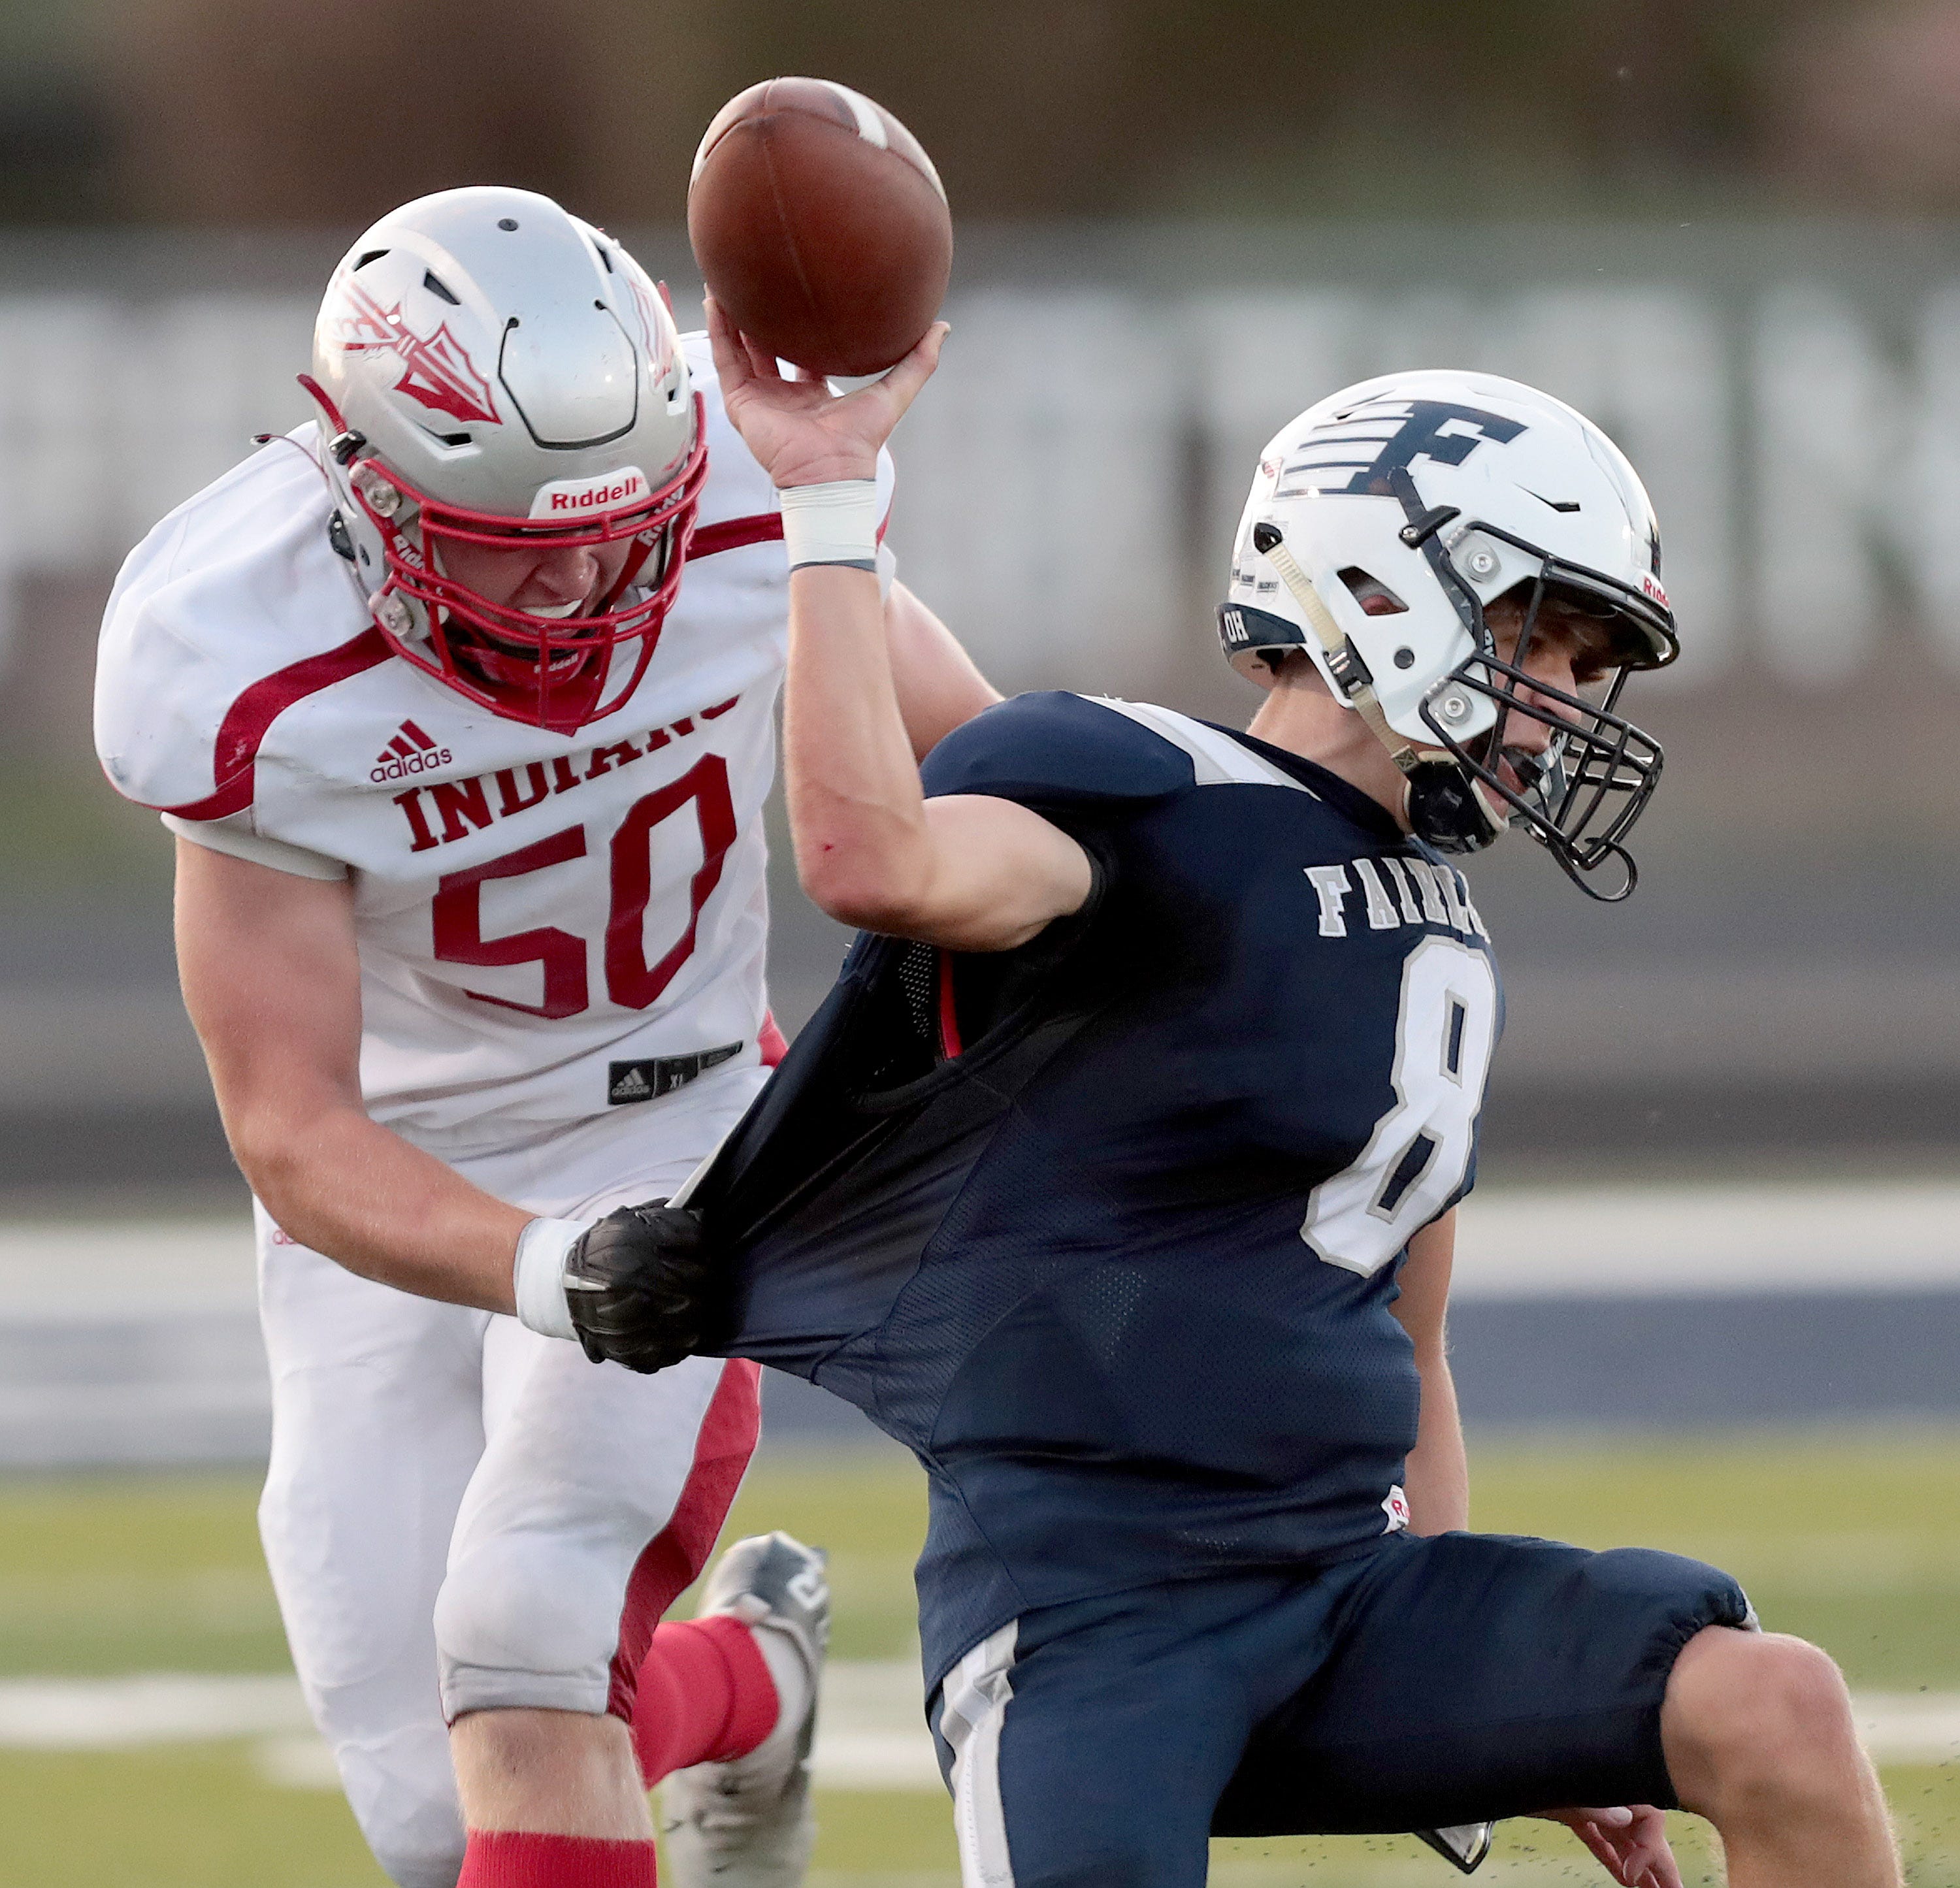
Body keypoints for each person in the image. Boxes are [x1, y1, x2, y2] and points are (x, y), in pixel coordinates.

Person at [562, 314, 1905, 1888]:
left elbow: (1408, 1334)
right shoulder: (1134, 793)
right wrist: (829, 512)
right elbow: (876, 860)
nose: (1560, 703)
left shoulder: (1429, 916)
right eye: (1543, 641)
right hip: (1091, 1623)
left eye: (1582, 668)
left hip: (1345, 1597)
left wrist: (1496, 1700)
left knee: (1776, 1700)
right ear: (1392, 584)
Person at [91, 187, 998, 1888]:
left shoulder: (744, 494)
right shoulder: (240, 646)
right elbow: (290, 1127)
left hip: (673, 1131)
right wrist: (537, 1262)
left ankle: (690, 1683)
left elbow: (997, 774)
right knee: (435, 1824)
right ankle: (753, 1681)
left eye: (621, 521)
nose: (586, 577)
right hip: (389, 1199)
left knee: (523, 1635)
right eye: (516, 538)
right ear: (362, 485)